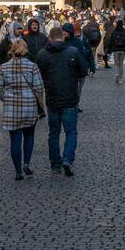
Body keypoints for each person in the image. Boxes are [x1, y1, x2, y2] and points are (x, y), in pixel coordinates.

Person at [36, 26, 88, 175]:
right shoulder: (73, 51)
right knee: (71, 131)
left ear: (50, 37)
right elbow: (83, 71)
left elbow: (39, 75)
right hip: (70, 97)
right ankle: (67, 159)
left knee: (53, 132)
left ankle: (55, 163)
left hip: (52, 98)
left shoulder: (42, 54)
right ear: (63, 36)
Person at [0, 37, 45, 181]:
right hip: (29, 106)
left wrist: (6, 98)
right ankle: (26, 163)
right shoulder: (32, 66)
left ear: (12, 50)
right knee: (29, 136)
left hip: (11, 107)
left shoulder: (4, 67)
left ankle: (18, 171)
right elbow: (39, 88)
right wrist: (40, 103)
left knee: (15, 140)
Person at [105, 18, 125, 84]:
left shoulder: (114, 33)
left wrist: (109, 51)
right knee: (121, 64)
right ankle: (120, 78)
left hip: (116, 50)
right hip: (123, 50)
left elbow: (110, 42)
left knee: (116, 64)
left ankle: (117, 73)